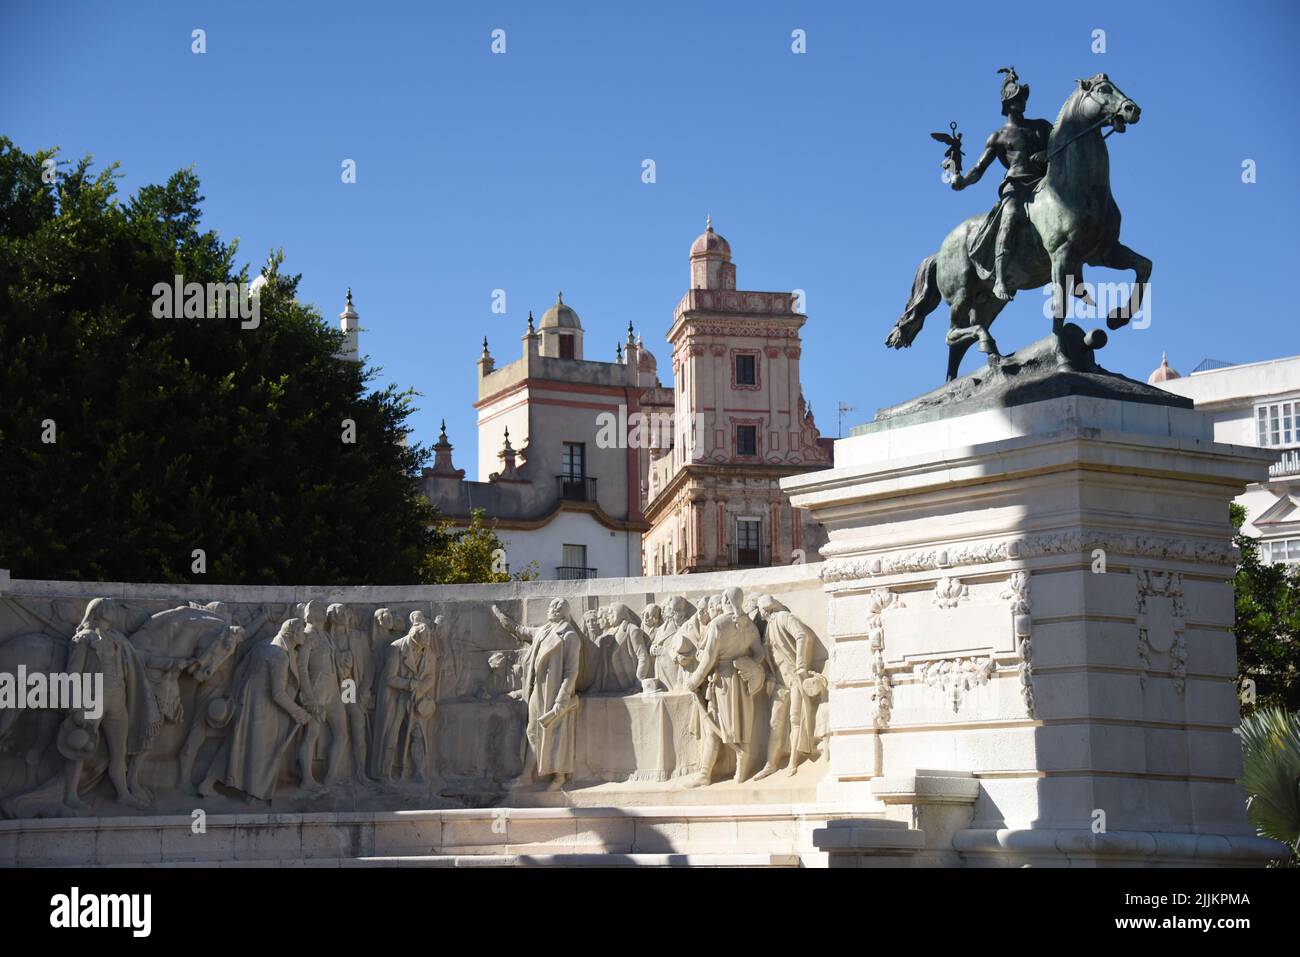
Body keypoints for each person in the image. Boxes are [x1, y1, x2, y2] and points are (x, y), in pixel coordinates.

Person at [952, 66, 1053, 301]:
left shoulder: (1041, 126)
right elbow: (979, 169)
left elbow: (1061, 147)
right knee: (1010, 216)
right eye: (1017, 98)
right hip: (1016, 187)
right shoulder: (998, 137)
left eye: (1023, 98)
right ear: (1008, 104)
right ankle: (999, 279)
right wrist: (963, 181)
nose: (1022, 102)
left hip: (1045, 182)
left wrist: (1047, 154)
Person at [198, 618, 316, 803]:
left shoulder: (264, 644)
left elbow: (240, 670)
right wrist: (298, 712)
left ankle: (207, 783)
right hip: (263, 708)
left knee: (236, 745)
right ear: (292, 633)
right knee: (259, 751)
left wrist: (235, 696)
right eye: (301, 631)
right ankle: (253, 794)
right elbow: (277, 693)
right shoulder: (279, 656)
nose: (304, 635)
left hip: (246, 701)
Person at [62, 598, 160, 812]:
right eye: (110, 606)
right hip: (92, 698)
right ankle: (70, 795)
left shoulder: (118, 639)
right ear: (98, 610)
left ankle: (123, 794)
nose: (114, 609)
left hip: (117, 699)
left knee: (119, 751)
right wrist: (75, 708)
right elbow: (71, 676)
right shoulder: (83, 639)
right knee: (78, 746)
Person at [491, 598, 582, 789]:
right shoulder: (543, 631)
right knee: (533, 731)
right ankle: (526, 776)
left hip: (554, 691)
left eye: (557, 607)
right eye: (552, 606)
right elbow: (520, 630)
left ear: (564, 612)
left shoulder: (570, 636)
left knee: (556, 733)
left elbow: (571, 671)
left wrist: (562, 698)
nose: (552, 609)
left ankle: (559, 776)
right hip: (536, 690)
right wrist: (499, 615)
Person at [682, 588, 766, 786]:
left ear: (726, 600)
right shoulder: (751, 626)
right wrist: (747, 663)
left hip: (722, 682)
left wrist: (694, 681)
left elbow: (708, 659)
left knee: (713, 727)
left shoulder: (718, 624)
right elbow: (759, 654)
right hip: (742, 680)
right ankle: (740, 769)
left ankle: (705, 774)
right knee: (742, 724)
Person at [753, 595, 821, 779]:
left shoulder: (783, 617)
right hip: (780, 682)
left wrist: (801, 665)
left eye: (758, 609)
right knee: (775, 723)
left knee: (795, 719)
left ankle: (793, 761)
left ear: (764, 609)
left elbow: (802, 635)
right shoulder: (768, 627)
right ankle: (771, 764)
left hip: (794, 677)